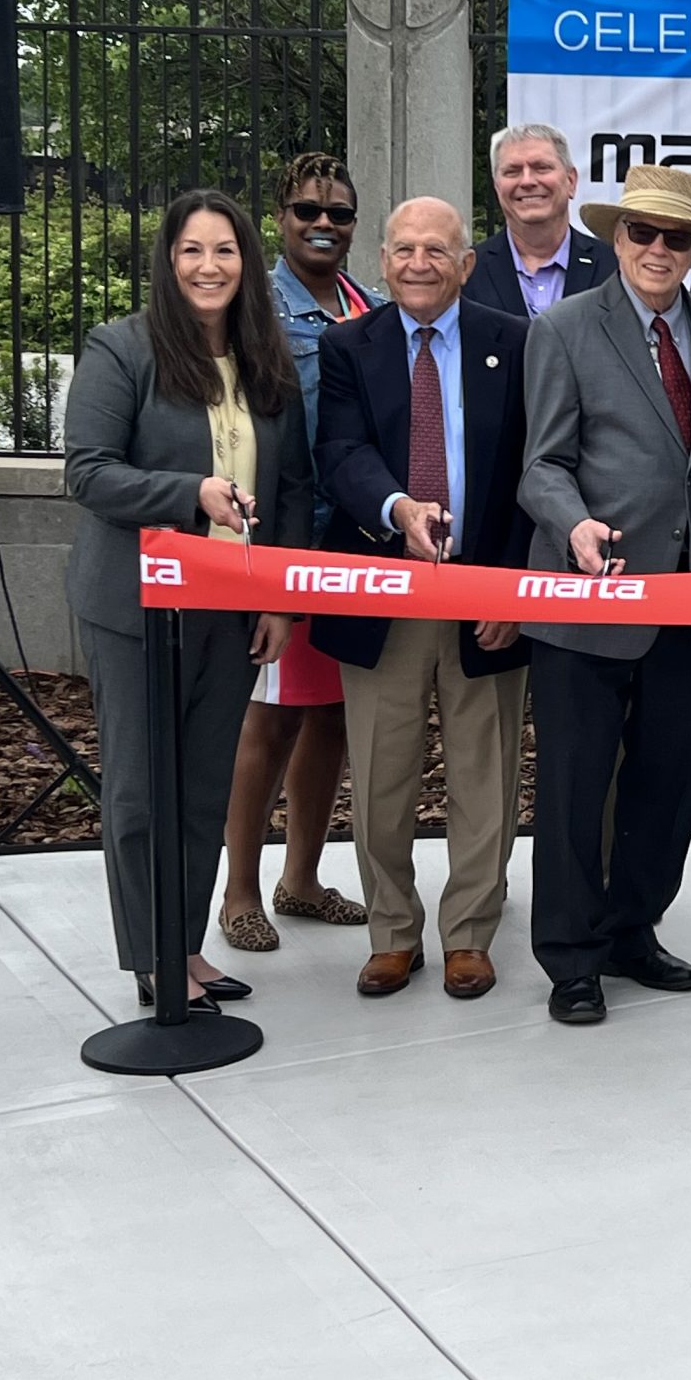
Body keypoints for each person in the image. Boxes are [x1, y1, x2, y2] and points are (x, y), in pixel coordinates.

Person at [64, 189, 308, 1012]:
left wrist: (279, 598)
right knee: (141, 792)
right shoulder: (122, 348)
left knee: (204, 790)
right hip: (137, 612)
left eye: (225, 251)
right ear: (169, 262)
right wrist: (189, 494)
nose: (209, 267)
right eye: (192, 251)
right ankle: (151, 959)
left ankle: (187, 947)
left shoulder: (266, 359)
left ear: (247, 263)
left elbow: (293, 487)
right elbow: (89, 472)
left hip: (232, 612)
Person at [518, 166, 691, 1025]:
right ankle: (571, 957)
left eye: (675, 237)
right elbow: (542, 463)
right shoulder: (565, 328)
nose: (657, 249)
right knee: (574, 789)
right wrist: (574, 526)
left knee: (669, 784)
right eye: (642, 232)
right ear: (616, 238)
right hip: (588, 596)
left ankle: (631, 933)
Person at [311, 199, 532, 1001]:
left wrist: (514, 588)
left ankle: (469, 933)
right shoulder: (348, 345)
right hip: (385, 589)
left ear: (466, 265)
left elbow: (534, 468)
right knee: (380, 774)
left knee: (485, 772)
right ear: (381, 260)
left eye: (436, 250)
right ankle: (393, 934)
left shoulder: (516, 341)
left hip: (485, 590)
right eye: (403, 249)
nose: (418, 263)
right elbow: (340, 451)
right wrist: (398, 509)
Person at [217, 151, 379, 954]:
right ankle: (239, 893)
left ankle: (302, 880)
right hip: (284, 542)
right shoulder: (256, 313)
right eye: (307, 211)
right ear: (279, 218)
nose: (323, 224)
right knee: (272, 716)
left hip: (353, 544)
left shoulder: (368, 305)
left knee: (332, 716)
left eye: (338, 213)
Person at [462, 123, 610, 320]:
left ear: (571, 181)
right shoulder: (466, 273)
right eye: (512, 171)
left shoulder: (615, 268)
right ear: (497, 187)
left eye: (541, 168)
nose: (527, 181)